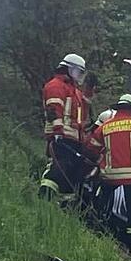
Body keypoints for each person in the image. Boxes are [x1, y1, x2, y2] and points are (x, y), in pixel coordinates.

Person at [87, 94, 131, 247]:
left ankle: (98, 225)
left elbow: (91, 148)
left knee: (102, 202)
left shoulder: (106, 126)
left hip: (111, 175)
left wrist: (100, 160)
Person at [40, 53, 93, 204]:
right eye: (79, 71)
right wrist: (58, 131)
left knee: (72, 173)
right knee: (58, 169)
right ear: (69, 69)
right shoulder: (56, 86)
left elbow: (82, 114)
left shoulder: (74, 91)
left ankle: (62, 205)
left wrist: (89, 91)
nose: (80, 76)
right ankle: (43, 197)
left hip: (73, 140)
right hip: (61, 137)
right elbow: (53, 109)